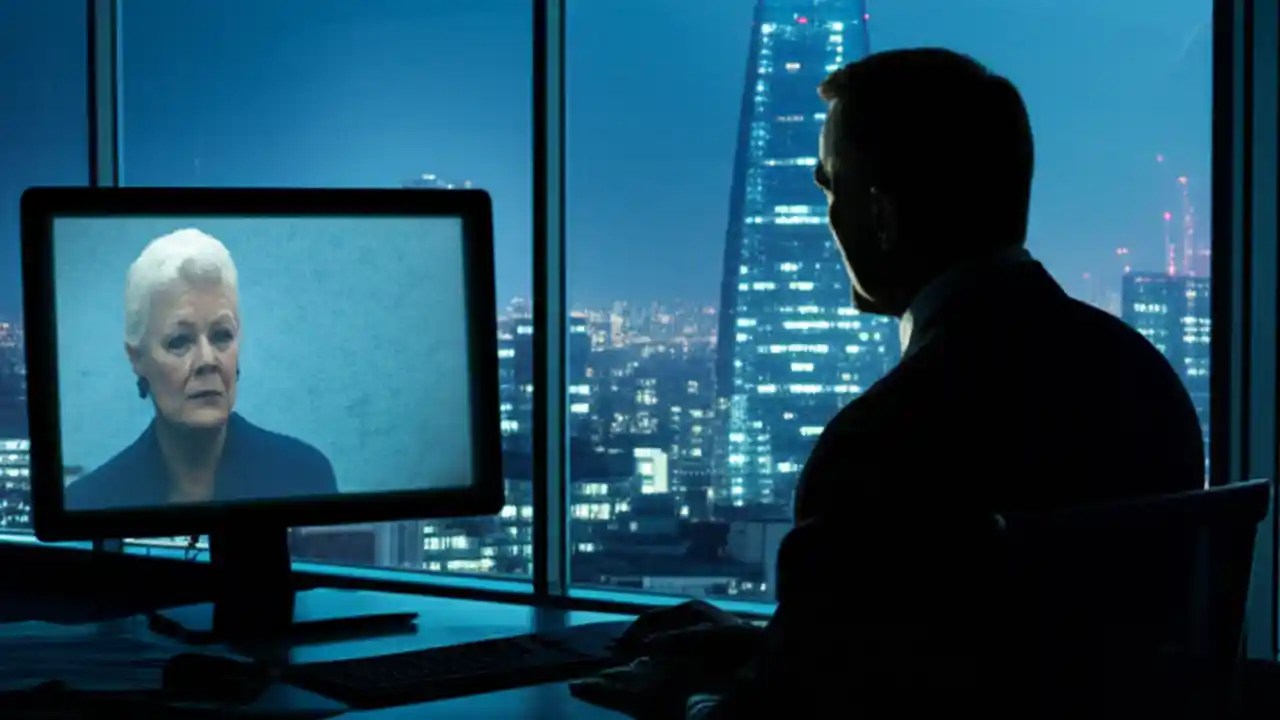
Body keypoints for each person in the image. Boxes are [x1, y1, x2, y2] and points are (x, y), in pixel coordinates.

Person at [603, 48, 1205, 718]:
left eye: (830, 189)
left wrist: (682, 700)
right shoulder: (1143, 382)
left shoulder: (884, 441)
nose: (826, 218)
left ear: (882, 218)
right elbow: (986, 644)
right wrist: (769, 645)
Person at [65, 228, 338, 510]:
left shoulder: (305, 477)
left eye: (221, 336)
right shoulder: (89, 502)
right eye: (179, 341)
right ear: (137, 359)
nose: (207, 360)